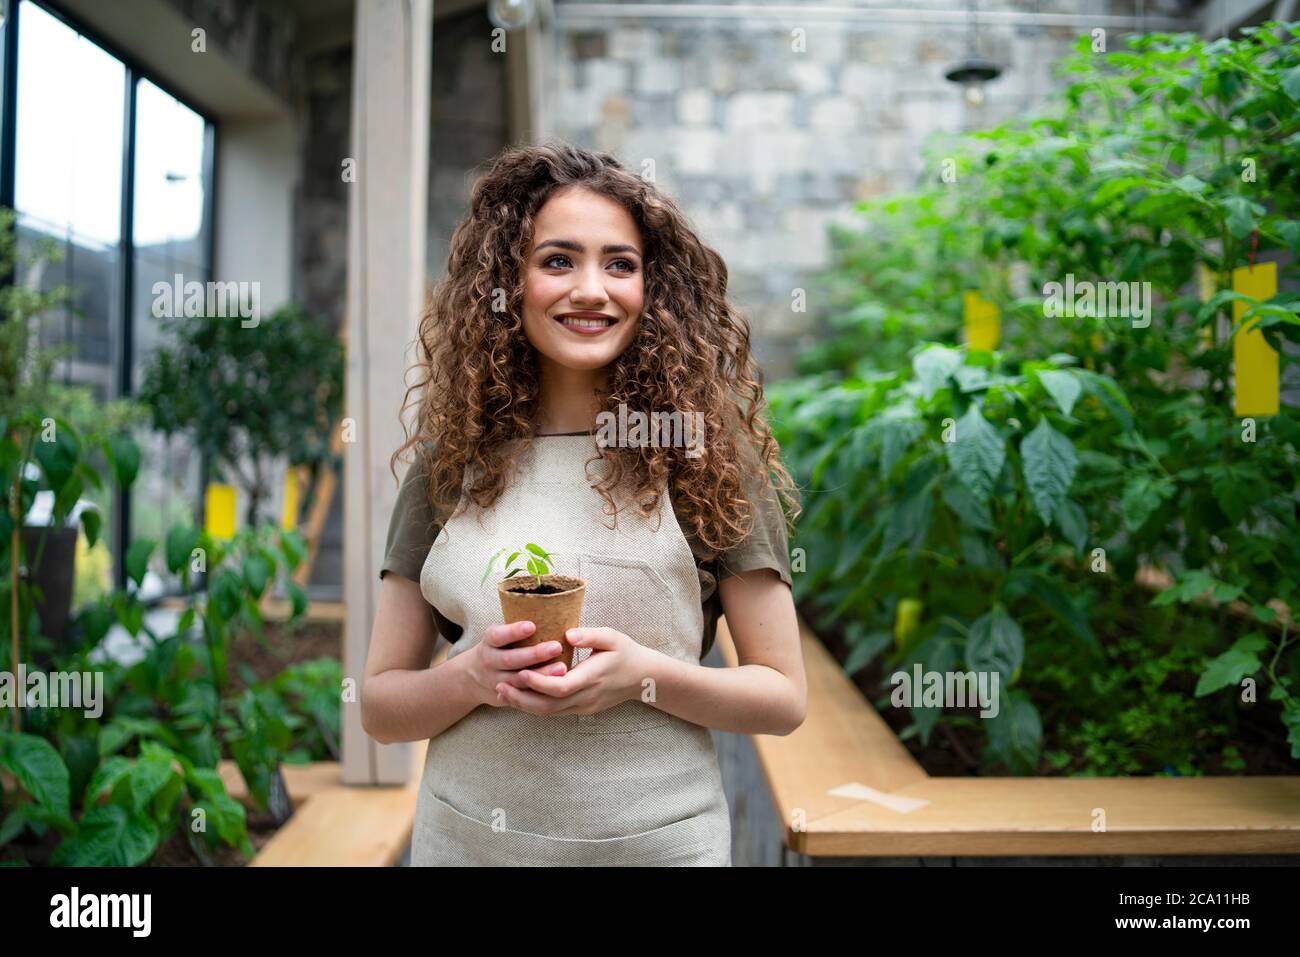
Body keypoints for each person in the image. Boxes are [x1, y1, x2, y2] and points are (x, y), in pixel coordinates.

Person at [361, 142, 806, 866]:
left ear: (653, 289)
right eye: (558, 260)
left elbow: (782, 695)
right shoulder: (451, 464)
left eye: (620, 264)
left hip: (661, 847)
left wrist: (645, 677)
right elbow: (380, 706)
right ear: (510, 280)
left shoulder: (701, 458)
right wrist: (472, 678)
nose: (592, 290)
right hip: (473, 844)